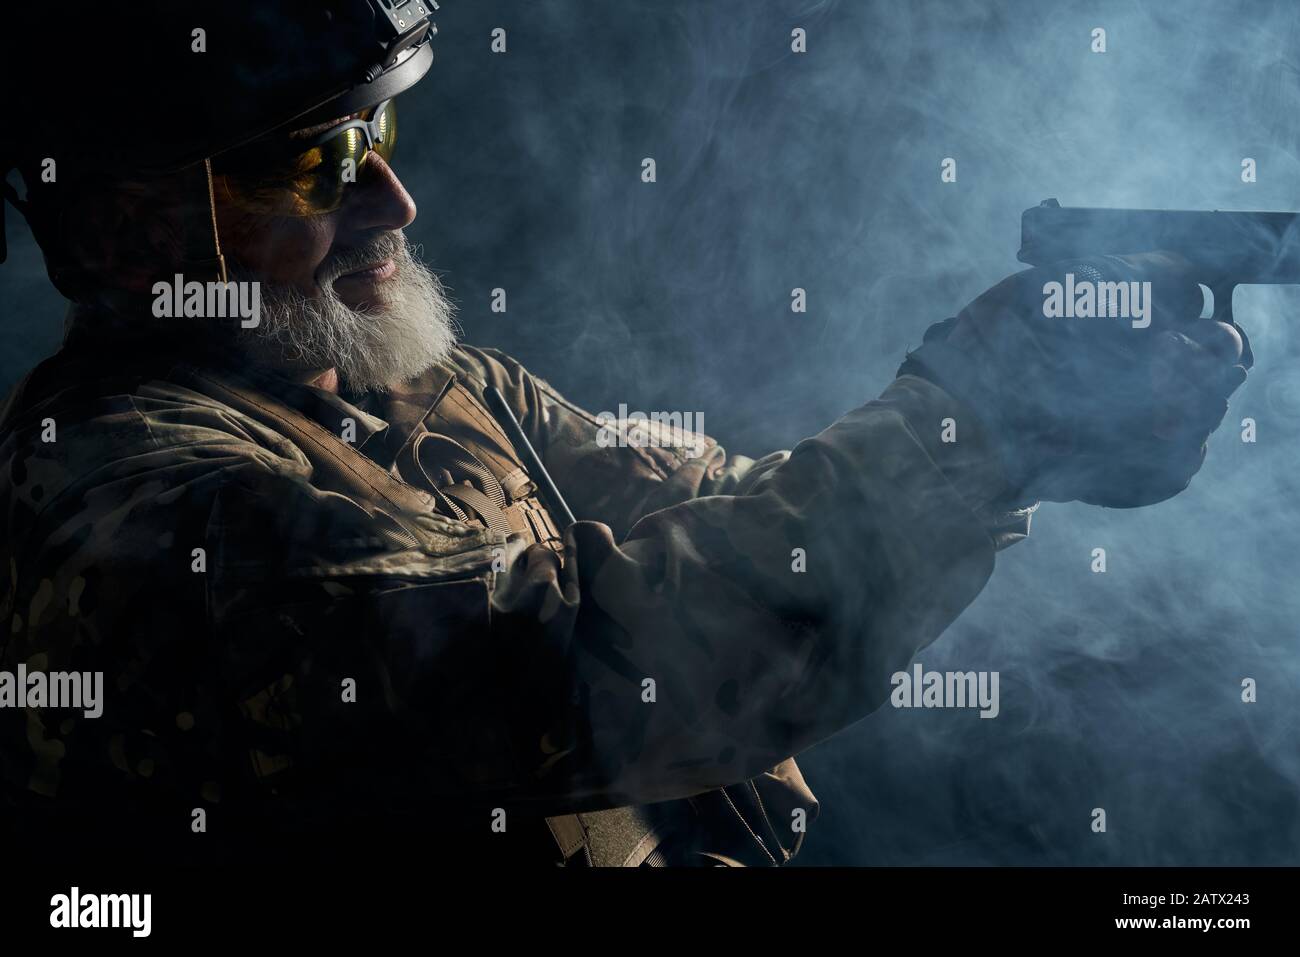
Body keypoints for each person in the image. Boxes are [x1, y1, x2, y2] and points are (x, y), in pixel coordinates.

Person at [0, 2, 1250, 867]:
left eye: (380, 134)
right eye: (317, 163)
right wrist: (973, 425)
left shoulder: (436, 390)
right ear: (131, 232)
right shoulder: (127, 498)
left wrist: (1026, 432)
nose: (394, 199)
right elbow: (578, 664)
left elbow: (739, 519)